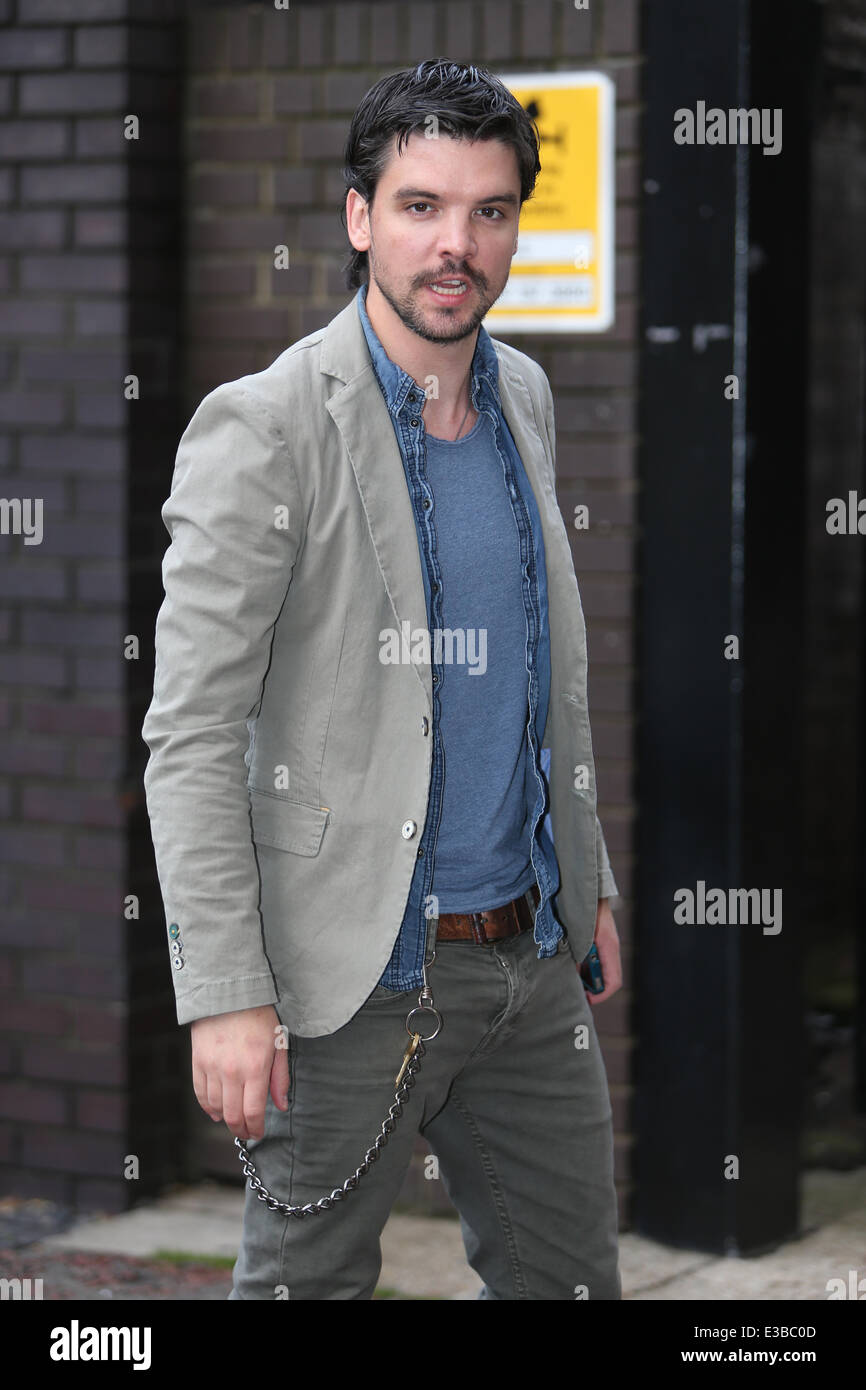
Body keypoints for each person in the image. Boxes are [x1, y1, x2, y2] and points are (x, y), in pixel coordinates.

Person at [142, 58, 623, 1301]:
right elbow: (191, 735)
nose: (454, 244)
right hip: (343, 984)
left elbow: (541, 677)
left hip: (525, 959)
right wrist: (226, 995)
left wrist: (586, 873)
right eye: (419, 206)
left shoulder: (522, 393)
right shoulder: (264, 427)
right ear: (359, 219)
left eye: (488, 210)